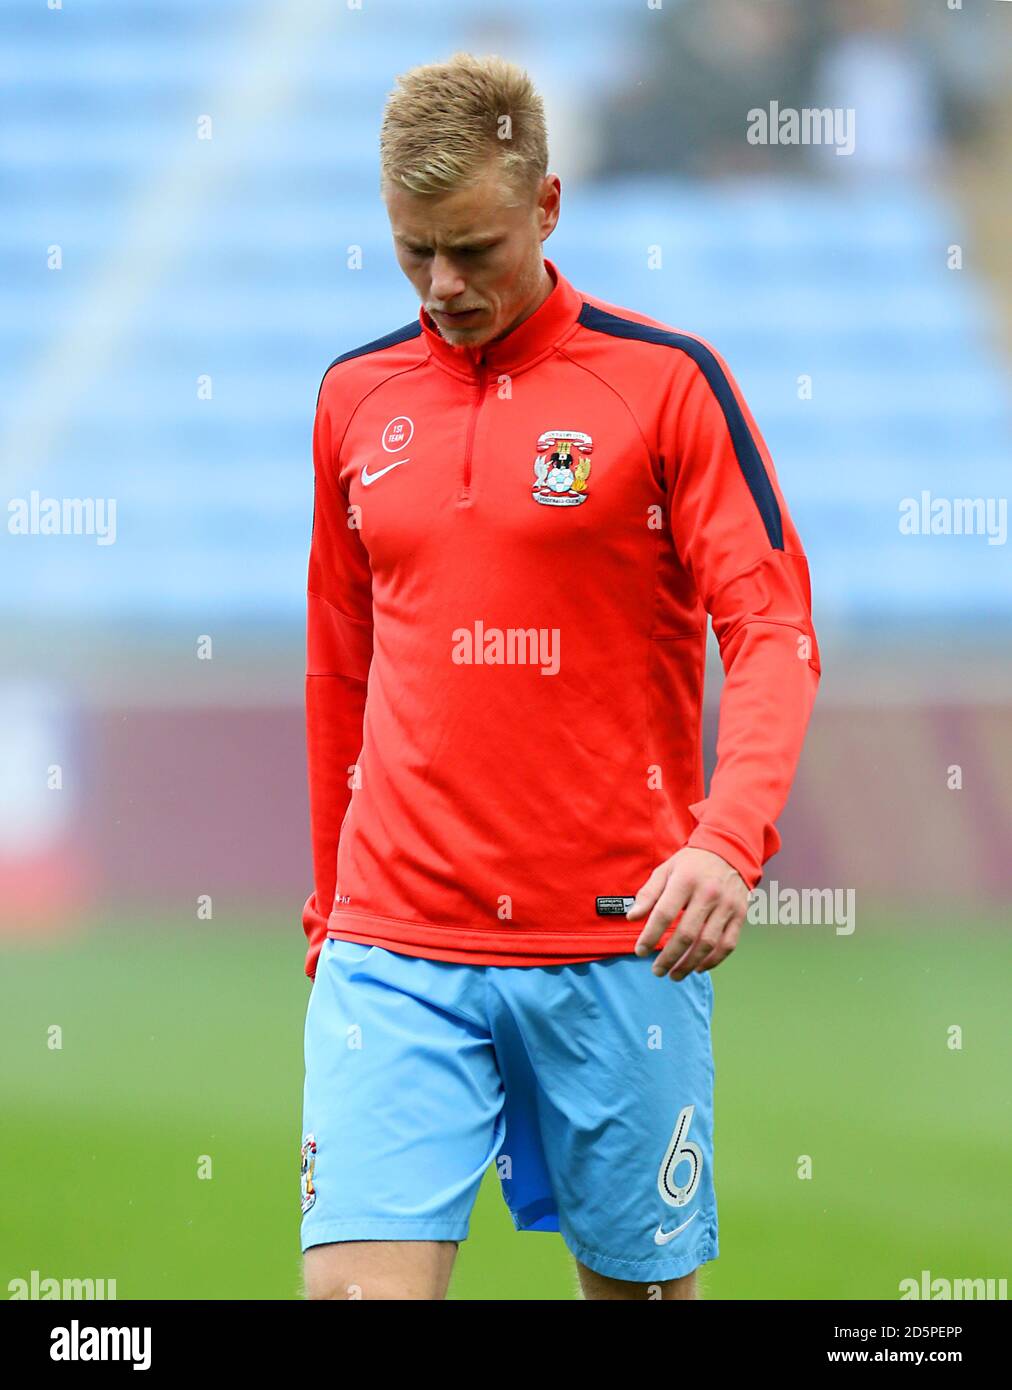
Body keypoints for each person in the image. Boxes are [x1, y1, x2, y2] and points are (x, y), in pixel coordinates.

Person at [299, 52, 820, 1301]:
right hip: (395, 942)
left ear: (547, 207)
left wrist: (726, 840)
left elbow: (771, 625)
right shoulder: (353, 399)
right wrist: (330, 912)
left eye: (472, 248)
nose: (441, 286)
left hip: (612, 941)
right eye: (412, 248)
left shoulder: (665, 385)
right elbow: (338, 668)